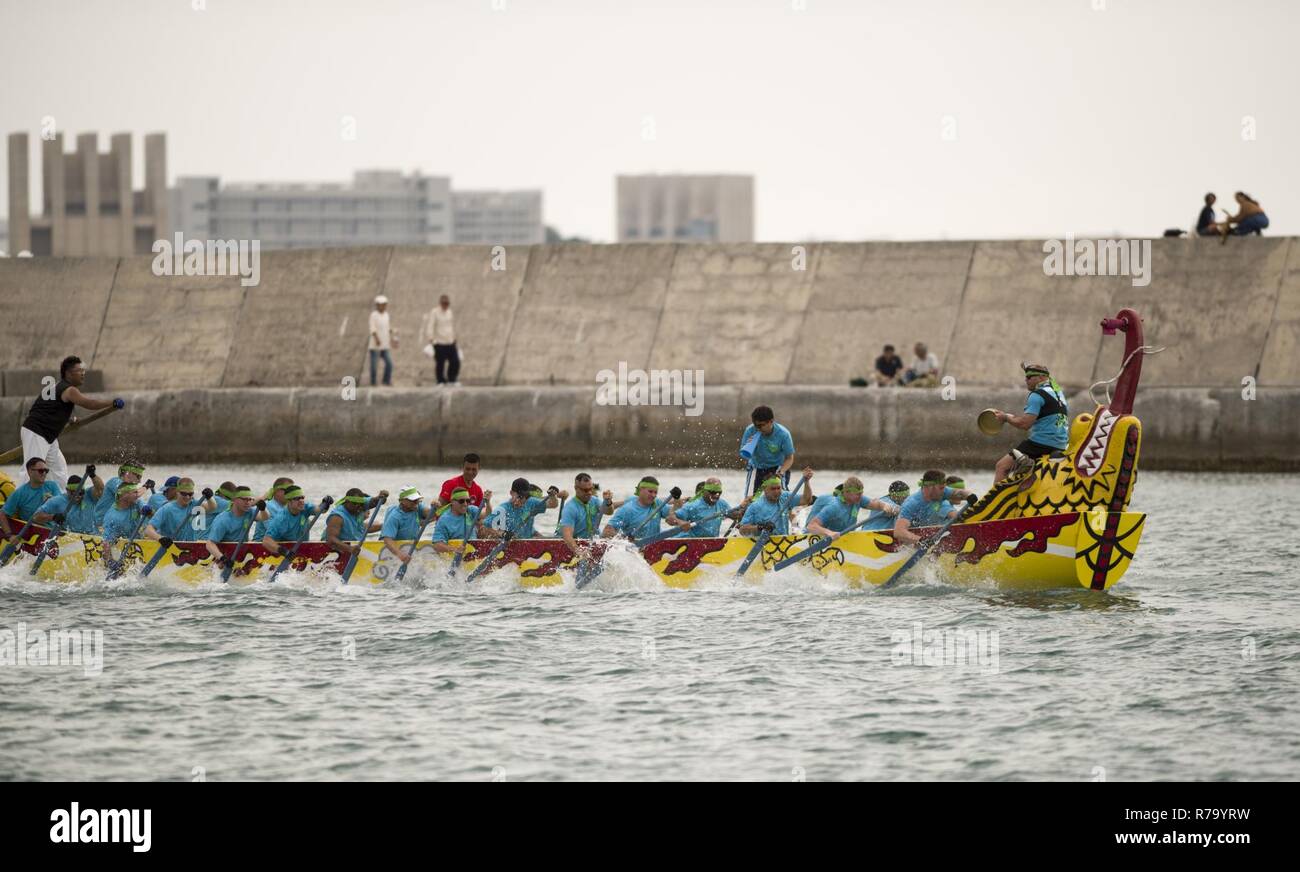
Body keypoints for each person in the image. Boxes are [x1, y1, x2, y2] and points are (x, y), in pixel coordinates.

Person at [18, 355, 123, 488]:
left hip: (49, 436)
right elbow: (89, 403)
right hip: (37, 432)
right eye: (79, 370)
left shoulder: (58, 388)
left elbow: (48, 409)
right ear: (68, 373)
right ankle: (17, 505)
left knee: (58, 469)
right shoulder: (69, 390)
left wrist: (69, 420)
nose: (83, 373)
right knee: (32, 469)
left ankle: (61, 500)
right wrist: (112, 403)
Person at [989, 363, 1070, 483]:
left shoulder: (1037, 395)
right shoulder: (1058, 392)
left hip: (1041, 444)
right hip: (1061, 445)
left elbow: (1024, 424)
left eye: (1029, 377)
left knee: (1002, 467)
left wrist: (1006, 417)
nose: (1025, 380)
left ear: (1041, 378)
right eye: (1025, 377)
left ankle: (995, 500)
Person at [805, 476, 901, 540]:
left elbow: (875, 504)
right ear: (846, 492)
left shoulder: (858, 500)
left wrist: (885, 506)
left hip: (843, 538)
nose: (860, 496)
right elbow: (811, 526)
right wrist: (829, 533)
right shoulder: (834, 506)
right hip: (816, 537)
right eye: (857, 494)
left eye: (861, 493)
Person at [893, 471, 974, 545]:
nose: (944, 490)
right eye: (942, 488)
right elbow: (898, 532)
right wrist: (921, 540)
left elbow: (959, 492)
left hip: (932, 533)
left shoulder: (942, 492)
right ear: (930, 487)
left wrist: (969, 495)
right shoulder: (912, 503)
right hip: (909, 541)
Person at [1, 457, 63, 543]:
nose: (44, 473)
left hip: (56, 531)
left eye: (46, 471)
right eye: (41, 471)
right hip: (35, 534)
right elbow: (2, 514)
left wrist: (51, 502)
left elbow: (62, 507)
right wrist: (9, 535)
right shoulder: (20, 493)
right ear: (30, 471)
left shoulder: (52, 486)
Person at [738, 470, 814, 537]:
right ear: (764, 489)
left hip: (783, 542)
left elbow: (806, 500)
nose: (777, 492)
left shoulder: (785, 497)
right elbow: (742, 530)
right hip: (763, 545)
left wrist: (806, 482)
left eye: (778, 488)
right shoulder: (755, 506)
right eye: (773, 489)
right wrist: (760, 527)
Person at [739, 406, 796, 494]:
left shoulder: (783, 434)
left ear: (771, 421)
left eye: (761, 425)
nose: (758, 429)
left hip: (778, 467)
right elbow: (743, 454)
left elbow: (789, 458)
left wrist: (780, 473)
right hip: (757, 466)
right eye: (755, 425)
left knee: (779, 496)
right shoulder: (750, 431)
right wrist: (747, 447)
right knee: (753, 498)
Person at [668, 478, 750, 538]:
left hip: (711, 543)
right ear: (705, 491)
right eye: (713, 492)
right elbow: (669, 519)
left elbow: (737, 516)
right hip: (690, 542)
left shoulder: (721, 503)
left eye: (719, 493)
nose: (716, 495)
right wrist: (680, 522)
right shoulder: (692, 506)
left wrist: (747, 508)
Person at [204, 486, 268, 563]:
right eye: (244, 499)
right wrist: (223, 559)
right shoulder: (222, 519)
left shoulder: (249, 512)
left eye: (250, 499)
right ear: (234, 500)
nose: (247, 502)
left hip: (241, 553)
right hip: (224, 555)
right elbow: (210, 544)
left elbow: (264, 517)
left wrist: (263, 509)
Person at [321, 488, 389, 559]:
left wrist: (381, 496)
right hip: (336, 550)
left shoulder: (360, 505)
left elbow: (376, 501)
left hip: (355, 548)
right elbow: (331, 540)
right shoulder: (337, 517)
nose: (357, 506)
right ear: (347, 501)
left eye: (360, 504)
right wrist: (349, 548)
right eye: (354, 503)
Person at [558, 473, 614, 557]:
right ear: (576, 488)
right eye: (585, 490)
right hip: (573, 543)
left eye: (591, 489)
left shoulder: (594, 501)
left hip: (592, 541)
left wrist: (608, 502)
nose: (590, 493)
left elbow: (609, 512)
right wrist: (578, 551)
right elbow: (567, 535)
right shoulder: (570, 508)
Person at [603, 477, 677, 539]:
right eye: (650, 491)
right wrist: (623, 540)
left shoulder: (658, 504)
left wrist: (678, 502)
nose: (654, 495)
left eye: (655, 492)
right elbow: (607, 531)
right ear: (640, 490)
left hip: (655, 545)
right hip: (634, 550)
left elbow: (676, 514)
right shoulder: (628, 510)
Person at [33, 472, 103, 535]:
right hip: (70, 540)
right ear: (67, 490)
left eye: (81, 493)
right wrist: (53, 517)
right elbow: (36, 517)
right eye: (74, 493)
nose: (78, 496)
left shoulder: (89, 495)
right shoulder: (57, 501)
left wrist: (93, 475)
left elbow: (101, 489)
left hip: (94, 537)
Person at [147, 478, 214, 542]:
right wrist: (160, 539)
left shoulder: (195, 505)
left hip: (191, 546)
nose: (187, 497)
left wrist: (209, 497)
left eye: (190, 494)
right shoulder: (167, 508)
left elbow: (212, 507)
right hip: (171, 546)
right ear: (177, 492)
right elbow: (149, 529)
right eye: (184, 494)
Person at [431, 487, 488, 553]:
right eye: (461, 501)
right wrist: (454, 550)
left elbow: (486, 513)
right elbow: (437, 545)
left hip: (473, 550)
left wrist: (488, 502)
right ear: (452, 502)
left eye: (467, 501)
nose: (465, 504)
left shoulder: (470, 510)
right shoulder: (444, 520)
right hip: (454, 554)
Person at [95, 460, 147, 526]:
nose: (140, 481)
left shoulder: (132, 489)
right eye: (138, 477)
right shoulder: (114, 482)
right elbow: (131, 497)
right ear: (128, 473)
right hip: (101, 526)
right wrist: (146, 487)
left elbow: (138, 501)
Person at [425, 294, 460, 386]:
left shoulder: (449, 312)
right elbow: (430, 325)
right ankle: (440, 381)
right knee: (440, 363)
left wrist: (454, 337)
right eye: (444, 303)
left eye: (447, 303)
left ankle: (452, 379)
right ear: (440, 303)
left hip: (450, 341)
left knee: (455, 361)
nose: (446, 305)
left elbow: (451, 326)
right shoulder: (435, 312)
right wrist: (431, 338)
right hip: (439, 342)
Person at [369, 295, 394, 386]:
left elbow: (387, 328)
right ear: (377, 305)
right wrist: (377, 339)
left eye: (384, 305)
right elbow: (372, 329)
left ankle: (386, 380)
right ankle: (373, 382)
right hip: (375, 345)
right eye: (380, 305)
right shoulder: (373, 315)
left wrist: (392, 335)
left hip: (385, 345)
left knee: (389, 364)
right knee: (374, 366)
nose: (382, 306)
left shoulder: (386, 315)